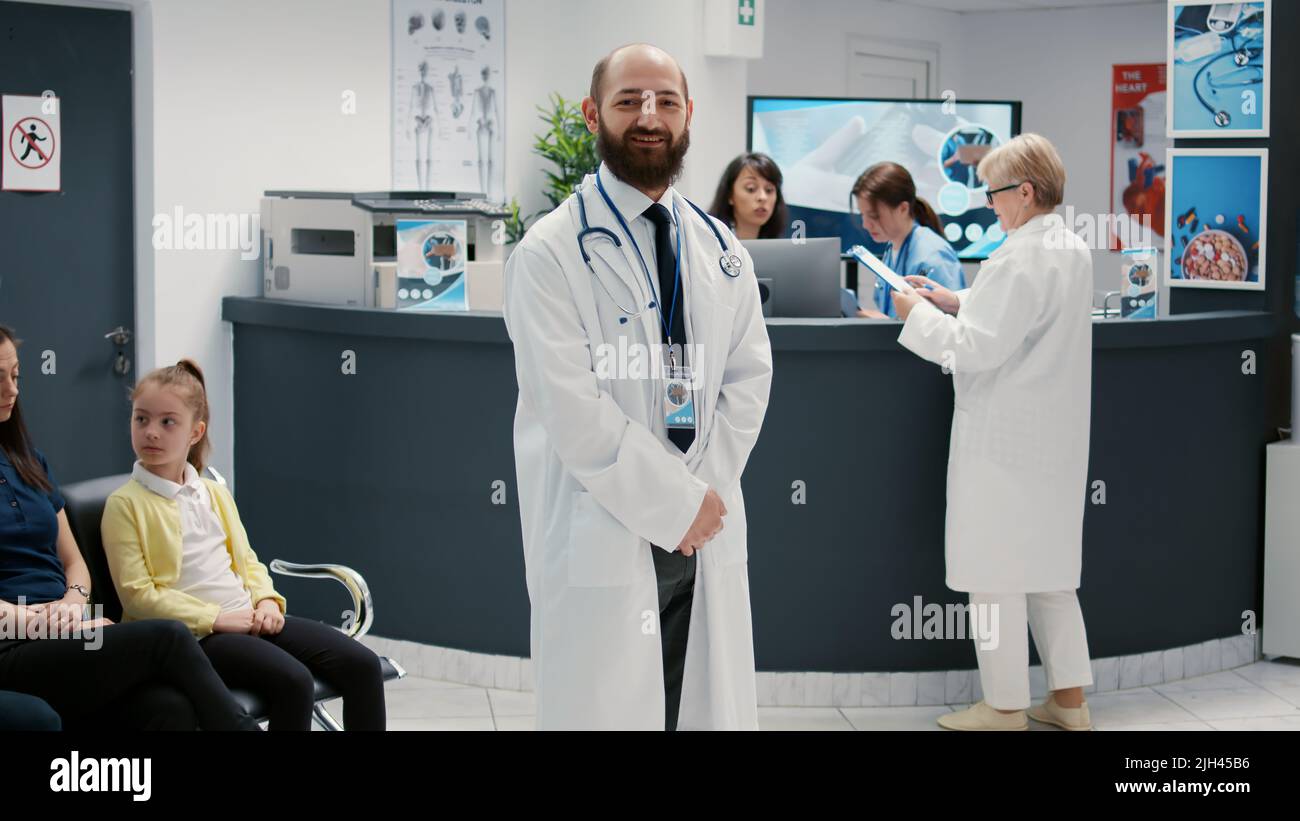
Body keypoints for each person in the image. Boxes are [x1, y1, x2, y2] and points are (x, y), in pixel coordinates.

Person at [502, 43, 773, 730]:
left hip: (704, 526)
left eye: (666, 101)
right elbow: (572, 410)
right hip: (605, 523)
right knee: (608, 706)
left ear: (689, 117)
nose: (648, 115)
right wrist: (673, 502)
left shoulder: (722, 251)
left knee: (698, 703)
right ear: (594, 114)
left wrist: (701, 496)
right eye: (628, 101)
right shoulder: (549, 253)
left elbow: (747, 379)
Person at [891, 133, 1094, 731]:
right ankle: (1069, 703)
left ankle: (1003, 706)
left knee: (994, 575)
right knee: (1051, 576)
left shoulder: (1019, 255)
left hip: (1003, 442)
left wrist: (919, 316)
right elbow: (1017, 319)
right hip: (1052, 442)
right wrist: (958, 298)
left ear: (1025, 192)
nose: (990, 206)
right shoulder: (1067, 247)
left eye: (995, 194)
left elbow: (975, 350)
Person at [101, 360, 387, 731]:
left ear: (195, 431)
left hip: (247, 614)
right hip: (197, 636)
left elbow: (248, 562)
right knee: (293, 681)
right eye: (141, 419)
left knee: (363, 666)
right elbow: (138, 597)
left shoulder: (214, 493)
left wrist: (267, 600)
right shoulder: (125, 504)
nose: (151, 432)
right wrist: (215, 618)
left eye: (167, 422)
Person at [0, 325, 260, 731]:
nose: (12, 391)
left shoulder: (28, 460)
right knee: (168, 637)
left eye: (15, 376)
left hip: (70, 629)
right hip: (13, 645)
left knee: (170, 708)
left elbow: (73, 560)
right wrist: (51, 621)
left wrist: (74, 603)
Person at [851, 161, 964, 319]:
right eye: (862, 214)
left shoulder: (934, 256)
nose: (865, 224)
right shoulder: (892, 248)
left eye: (874, 216)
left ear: (903, 209)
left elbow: (949, 329)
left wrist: (886, 324)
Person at [708, 152, 789, 240]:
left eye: (769, 190)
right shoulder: (711, 239)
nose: (762, 197)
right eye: (751, 189)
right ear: (730, 195)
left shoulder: (779, 245)